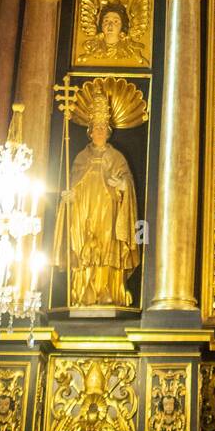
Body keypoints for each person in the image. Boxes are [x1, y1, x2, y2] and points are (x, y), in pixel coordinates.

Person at [54, 105, 138, 307]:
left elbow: (128, 183)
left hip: (108, 210)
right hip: (85, 210)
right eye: (96, 128)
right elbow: (73, 183)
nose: (99, 131)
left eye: (103, 128)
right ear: (90, 131)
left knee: (108, 245)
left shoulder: (117, 158)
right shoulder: (81, 158)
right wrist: (70, 196)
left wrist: (123, 185)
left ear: (108, 132)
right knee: (84, 246)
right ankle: (83, 292)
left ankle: (108, 290)